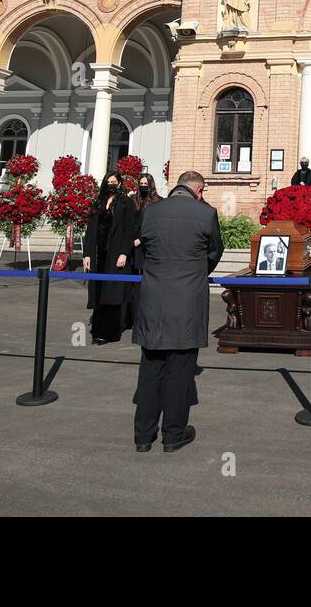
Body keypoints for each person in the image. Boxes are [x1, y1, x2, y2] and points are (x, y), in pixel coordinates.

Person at [133, 170, 223, 453]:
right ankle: (173, 435)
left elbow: (143, 250)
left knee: (150, 369)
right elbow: (214, 252)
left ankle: (143, 437)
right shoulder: (205, 214)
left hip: (153, 299)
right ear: (198, 190)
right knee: (180, 371)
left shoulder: (151, 212)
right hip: (186, 301)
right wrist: (195, 272)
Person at [83, 173, 137, 344]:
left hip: (115, 252)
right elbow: (91, 229)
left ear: (120, 183)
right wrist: (88, 254)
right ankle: (97, 331)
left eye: (114, 182)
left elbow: (129, 229)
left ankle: (110, 332)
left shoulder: (125, 203)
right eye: (109, 182)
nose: (111, 184)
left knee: (112, 293)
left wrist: (124, 252)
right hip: (99, 253)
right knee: (98, 293)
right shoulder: (98, 202)